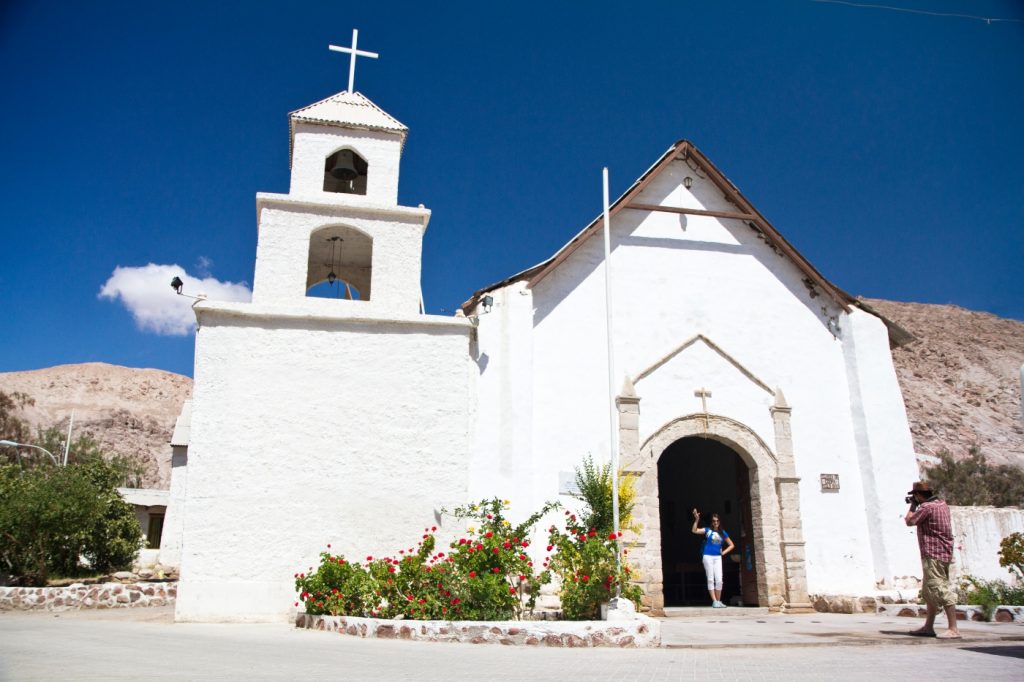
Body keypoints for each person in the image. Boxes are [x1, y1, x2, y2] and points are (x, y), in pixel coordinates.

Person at [904, 480, 960, 639]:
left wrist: (913, 506)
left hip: (933, 554)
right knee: (930, 591)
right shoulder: (942, 505)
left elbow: (909, 521)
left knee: (940, 589)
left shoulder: (927, 508)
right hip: (943, 553)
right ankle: (928, 627)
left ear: (918, 495)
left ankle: (953, 628)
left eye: (915, 496)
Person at [692, 508, 735, 608]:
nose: (715, 522)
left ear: (719, 522)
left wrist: (723, 553)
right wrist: (697, 519)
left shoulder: (723, 533)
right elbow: (694, 530)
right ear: (711, 522)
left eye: (717, 521)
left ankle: (718, 601)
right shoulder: (708, 530)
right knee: (711, 578)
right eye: (714, 521)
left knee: (719, 579)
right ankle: (714, 601)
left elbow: (732, 545)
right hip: (707, 556)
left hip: (717, 557)